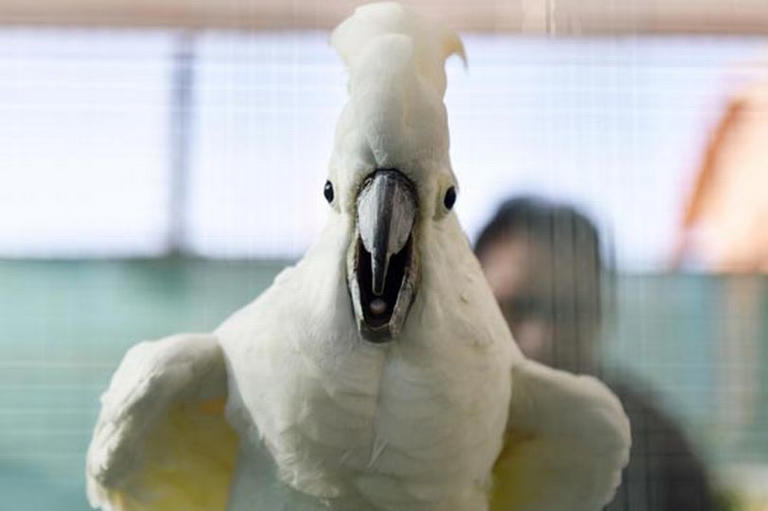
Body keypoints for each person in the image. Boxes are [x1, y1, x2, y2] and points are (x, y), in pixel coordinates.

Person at [475, 196, 716, 511]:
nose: (540, 340)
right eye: (517, 307)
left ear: (602, 312)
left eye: (568, 310)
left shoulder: (655, 444)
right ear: (471, 303)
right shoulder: (426, 426)